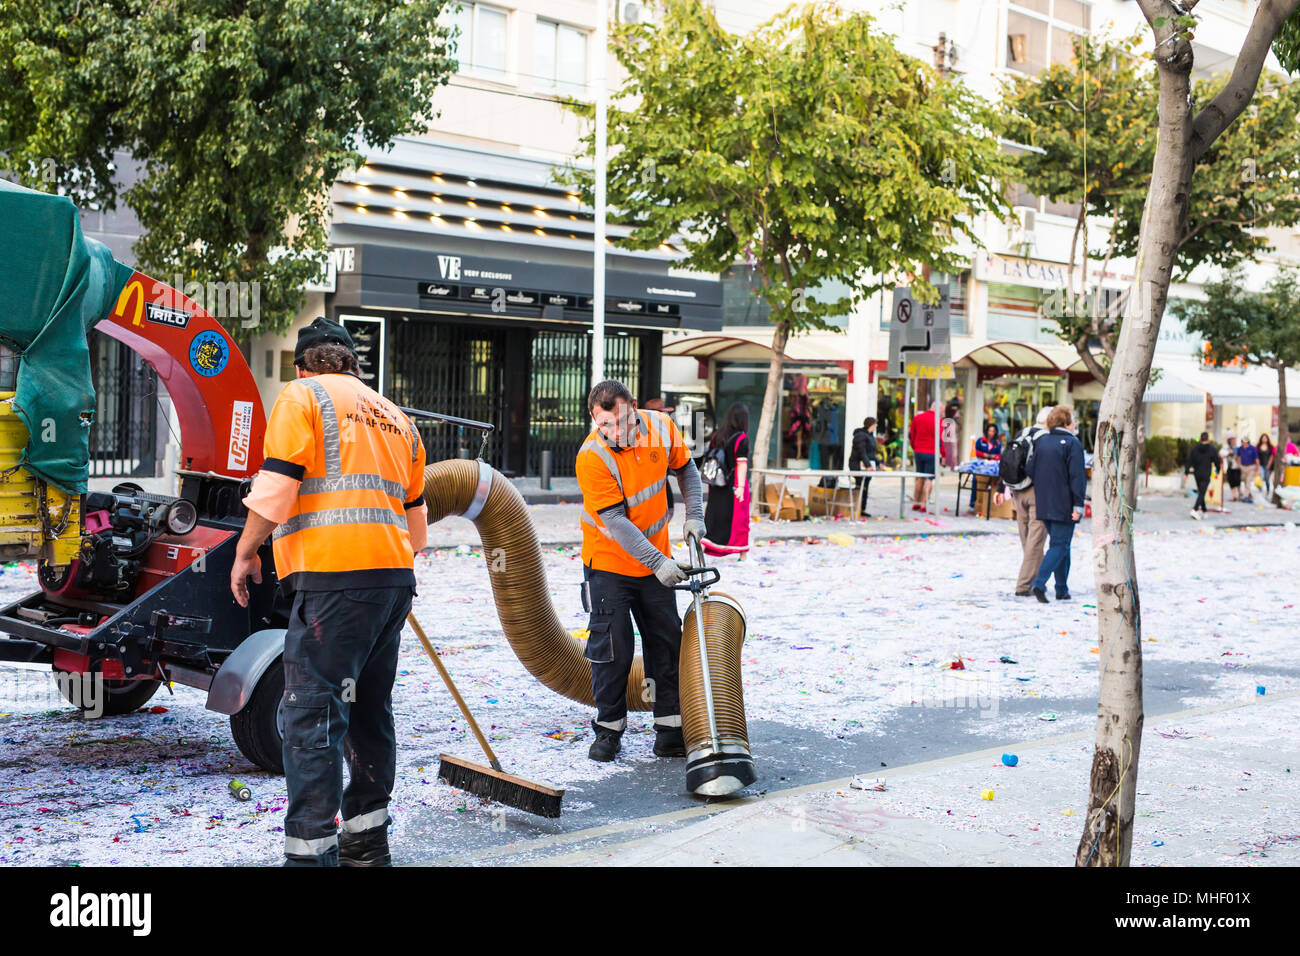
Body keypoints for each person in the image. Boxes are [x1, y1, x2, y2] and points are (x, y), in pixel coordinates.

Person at [231, 317, 428, 867]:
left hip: (333, 583)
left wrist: (246, 552)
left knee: (312, 714)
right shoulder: (395, 416)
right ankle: (366, 845)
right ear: (356, 366)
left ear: (301, 366)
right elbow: (417, 524)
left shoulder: (302, 396)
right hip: (391, 581)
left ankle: (309, 855)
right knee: (367, 708)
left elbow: (278, 482)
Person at [576, 380, 705, 763]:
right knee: (612, 649)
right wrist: (660, 563)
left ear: (634, 407)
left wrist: (694, 516)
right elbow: (615, 520)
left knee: (666, 642)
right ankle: (609, 729)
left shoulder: (662, 428)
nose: (615, 434)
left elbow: (687, 469)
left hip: (655, 562)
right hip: (609, 565)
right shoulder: (592, 456)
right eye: (604, 427)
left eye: (621, 423)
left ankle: (669, 729)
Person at [1026, 405, 1087, 603]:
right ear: (1066, 422)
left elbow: (1030, 468)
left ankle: (1062, 588)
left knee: (1061, 545)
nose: (1075, 423)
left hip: (1044, 502)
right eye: (1073, 420)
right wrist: (1078, 505)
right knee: (1060, 545)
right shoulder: (1072, 443)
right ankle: (1040, 583)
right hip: (1065, 504)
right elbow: (1077, 477)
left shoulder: (1042, 441)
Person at [994, 407, 1051, 597]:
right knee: (1035, 541)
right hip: (1037, 492)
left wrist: (1001, 488)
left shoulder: (1021, 433)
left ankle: (1036, 579)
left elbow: (1008, 462)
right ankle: (1024, 586)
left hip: (1017, 490)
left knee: (1027, 539)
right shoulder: (1045, 438)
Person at [702, 401, 751, 556]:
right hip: (734, 482)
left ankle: (703, 547)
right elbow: (741, 464)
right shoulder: (742, 438)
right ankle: (742, 555)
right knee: (739, 519)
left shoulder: (717, 435)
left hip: (716, 482)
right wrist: (741, 488)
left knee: (714, 514)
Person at [908, 401, 938, 512]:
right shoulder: (939, 420)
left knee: (920, 477)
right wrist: (943, 454)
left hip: (918, 451)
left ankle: (916, 502)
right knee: (929, 479)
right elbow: (940, 440)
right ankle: (924, 505)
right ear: (937, 408)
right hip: (931, 452)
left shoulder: (917, 418)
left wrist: (914, 447)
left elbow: (912, 434)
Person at [849, 416, 881, 518]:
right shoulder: (860, 436)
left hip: (866, 464)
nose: (876, 426)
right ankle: (857, 507)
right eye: (875, 424)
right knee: (860, 486)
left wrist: (879, 462)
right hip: (857, 465)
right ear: (871, 425)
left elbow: (870, 453)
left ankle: (862, 508)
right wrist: (868, 465)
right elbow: (862, 452)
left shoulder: (870, 436)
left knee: (865, 486)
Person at [1185, 431, 1221, 519]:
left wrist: (1186, 473)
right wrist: (1218, 469)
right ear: (1208, 439)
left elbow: (1189, 461)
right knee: (1202, 492)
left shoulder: (1195, 449)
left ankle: (1204, 511)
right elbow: (1216, 460)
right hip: (1206, 473)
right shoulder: (1212, 449)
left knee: (1201, 492)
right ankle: (1195, 509)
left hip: (1197, 473)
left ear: (1200, 439)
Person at [971, 423, 1002, 509]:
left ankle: (987, 505)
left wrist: (993, 457)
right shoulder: (980, 440)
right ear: (987, 431)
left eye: (993, 431)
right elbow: (975, 452)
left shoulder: (997, 443)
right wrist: (985, 455)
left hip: (992, 466)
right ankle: (973, 503)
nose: (991, 433)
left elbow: (999, 455)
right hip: (981, 464)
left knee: (992, 482)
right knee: (975, 480)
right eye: (990, 430)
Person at [1237, 436, 1259, 503]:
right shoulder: (1240, 448)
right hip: (1243, 467)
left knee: (1248, 481)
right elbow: (1238, 457)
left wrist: (1257, 469)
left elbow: (1256, 459)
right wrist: (1239, 465)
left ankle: (1245, 496)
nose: (1242, 443)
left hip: (1251, 467)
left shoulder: (1253, 448)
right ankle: (1249, 494)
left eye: (1244, 442)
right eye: (1242, 441)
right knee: (1244, 480)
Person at [1223, 435, 1242, 502]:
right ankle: (1233, 496)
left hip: (1237, 467)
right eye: (1232, 440)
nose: (1233, 441)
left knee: (1238, 482)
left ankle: (1240, 495)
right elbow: (1222, 453)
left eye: (1234, 440)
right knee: (1231, 482)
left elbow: (1240, 456)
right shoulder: (1227, 448)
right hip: (1230, 467)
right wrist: (1228, 452)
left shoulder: (1238, 448)